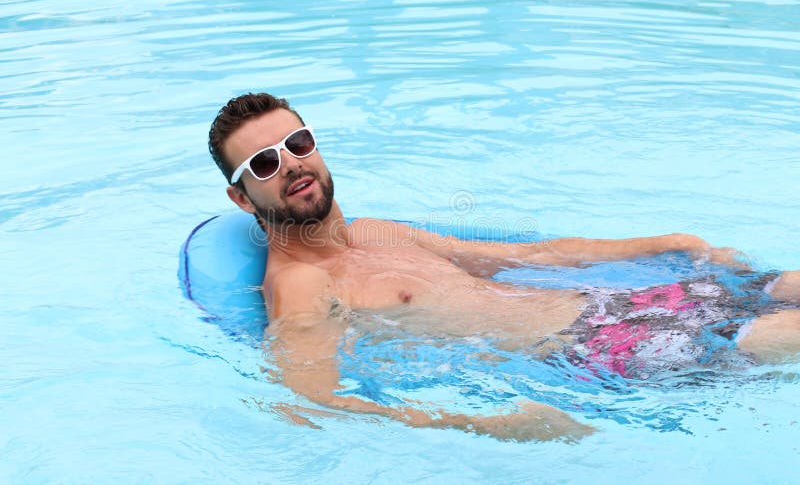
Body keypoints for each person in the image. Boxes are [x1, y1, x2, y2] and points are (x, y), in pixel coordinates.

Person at [208, 92, 800, 441]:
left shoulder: (376, 233)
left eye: (299, 143)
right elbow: (312, 401)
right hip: (600, 352)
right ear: (241, 198)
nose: (290, 164)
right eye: (263, 163)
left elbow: (531, 258)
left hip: (625, 303)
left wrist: (665, 243)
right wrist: (490, 425)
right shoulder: (301, 285)